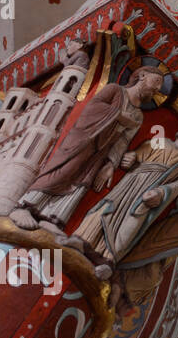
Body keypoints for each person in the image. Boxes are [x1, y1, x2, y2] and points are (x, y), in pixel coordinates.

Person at [11, 66, 165, 230]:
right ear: (142, 75)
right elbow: (92, 107)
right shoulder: (115, 90)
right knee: (64, 170)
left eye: (159, 87)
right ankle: (25, 206)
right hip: (83, 139)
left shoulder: (138, 115)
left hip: (101, 150)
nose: (157, 88)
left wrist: (111, 165)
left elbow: (123, 141)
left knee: (83, 181)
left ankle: (53, 217)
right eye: (156, 82)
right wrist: (118, 115)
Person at [72, 117, 178, 278]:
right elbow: (138, 154)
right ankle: (82, 239)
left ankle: (107, 261)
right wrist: (131, 157)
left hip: (147, 196)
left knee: (130, 225)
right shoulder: (163, 141)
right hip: (130, 183)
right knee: (106, 209)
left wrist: (160, 193)